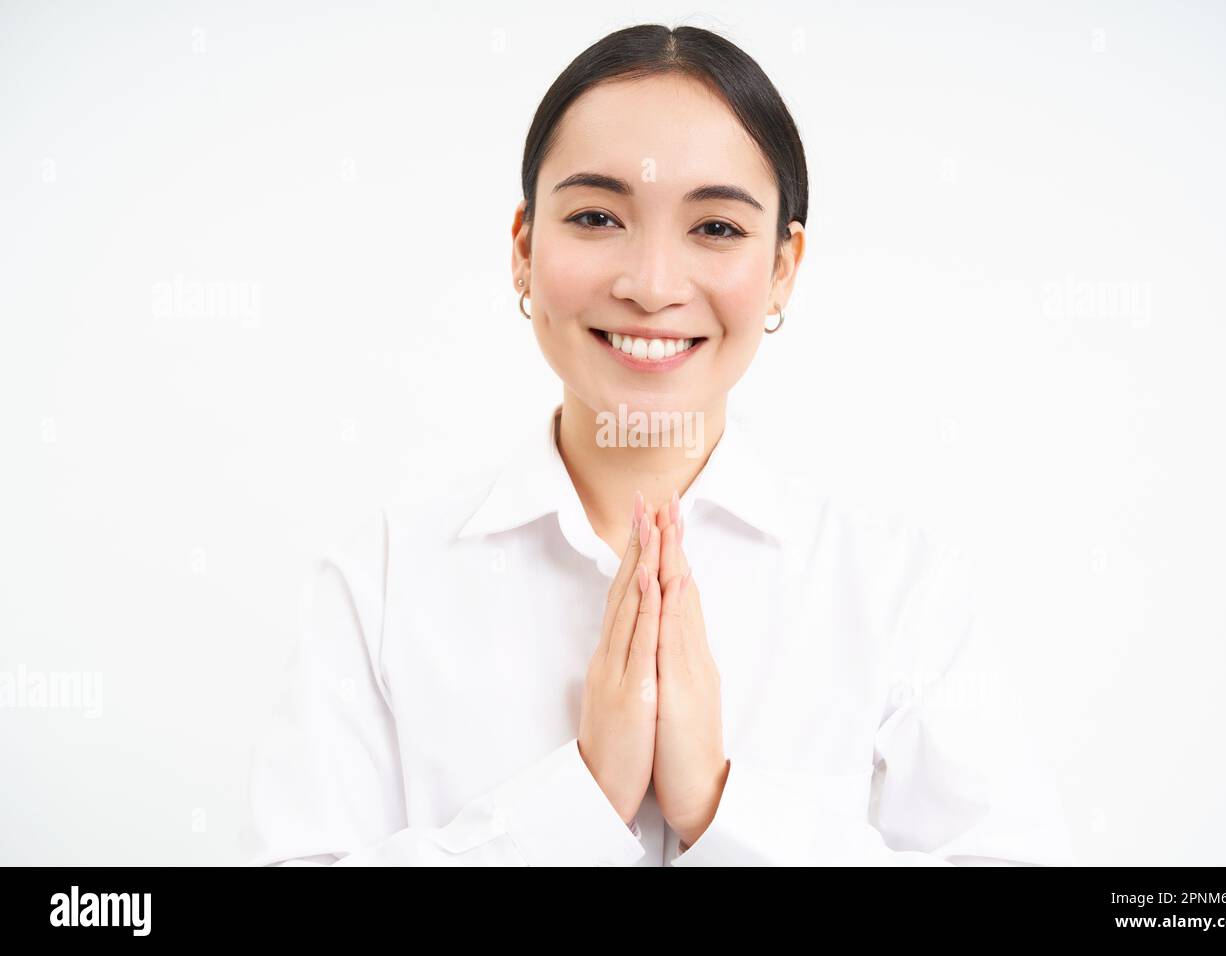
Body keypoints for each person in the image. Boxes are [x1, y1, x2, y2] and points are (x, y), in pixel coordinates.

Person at [244, 23, 1075, 866]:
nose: (650, 286)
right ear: (524, 249)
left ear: (783, 266)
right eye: (598, 216)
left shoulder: (895, 590)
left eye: (715, 228)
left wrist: (721, 808)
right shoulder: (381, 584)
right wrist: (579, 806)